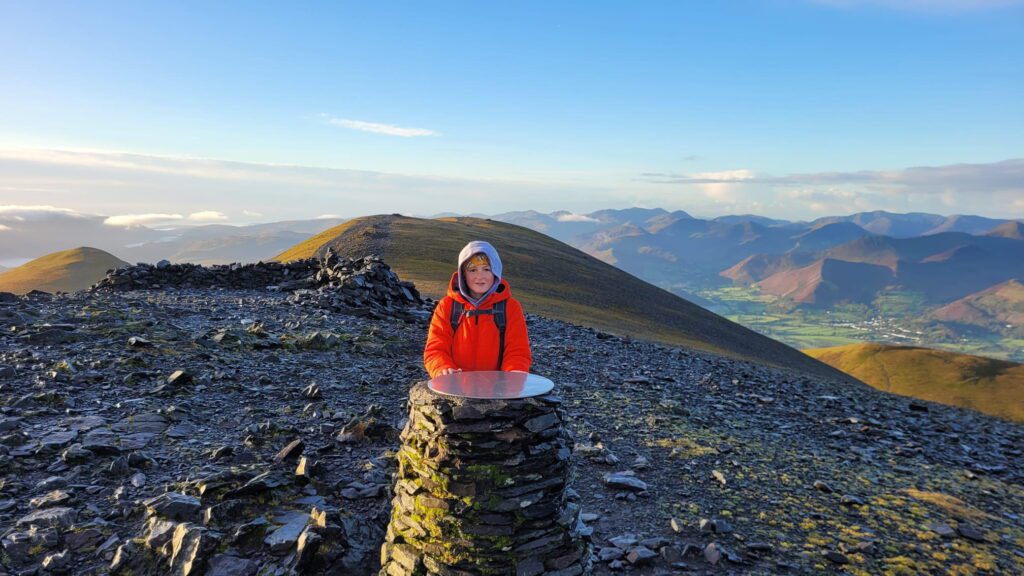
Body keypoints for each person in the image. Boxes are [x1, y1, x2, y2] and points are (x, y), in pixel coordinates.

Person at [423, 240, 531, 378]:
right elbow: (435, 349)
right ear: (463, 274)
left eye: (486, 269)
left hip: (498, 387)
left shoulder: (511, 307)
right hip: (454, 385)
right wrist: (442, 368)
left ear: (496, 272)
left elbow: (517, 351)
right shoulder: (447, 306)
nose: (480, 277)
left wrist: (514, 372)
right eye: (472, 270)